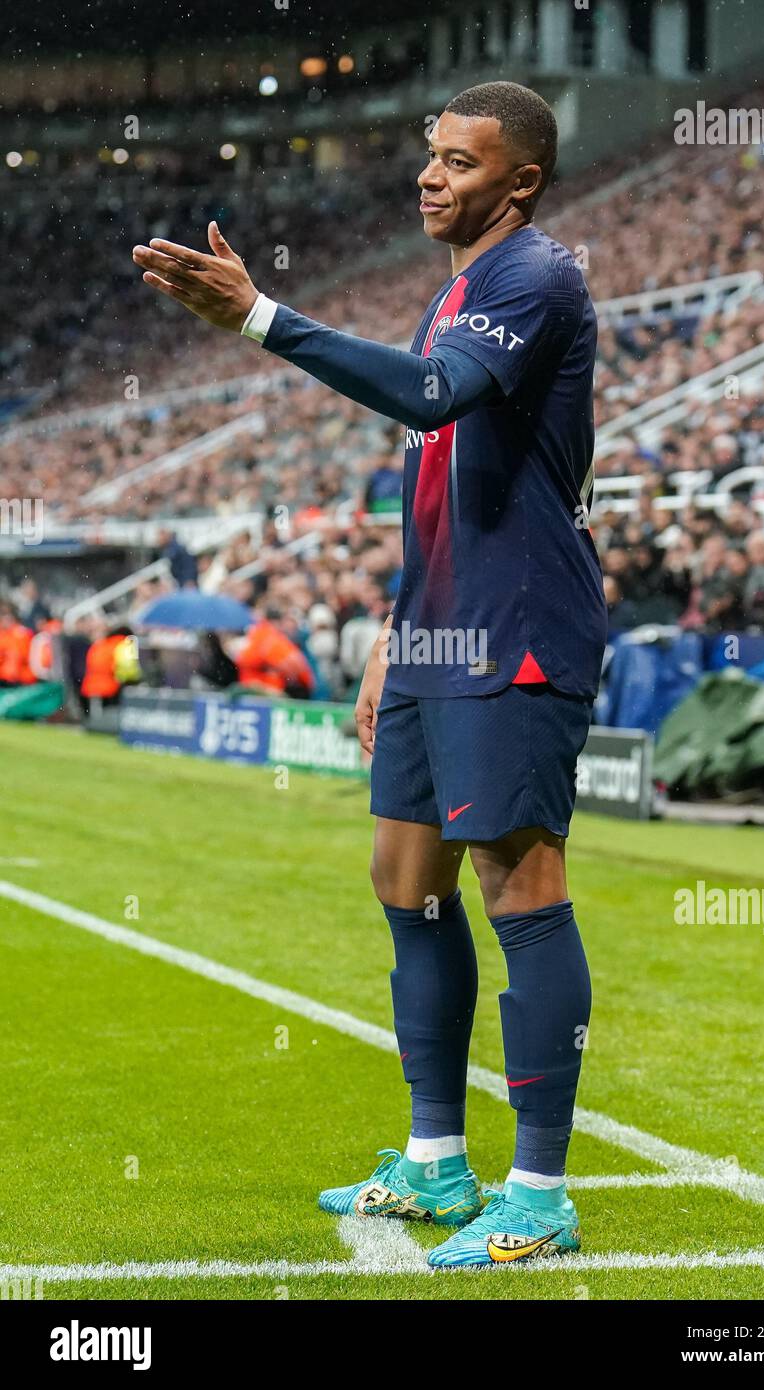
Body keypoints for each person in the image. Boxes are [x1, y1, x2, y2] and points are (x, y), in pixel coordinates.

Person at [133, 81, 605, 1269]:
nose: (429, 176)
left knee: (518, 884)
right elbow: (433, 487)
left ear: (521, 182)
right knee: (410, 886)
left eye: (458, 161)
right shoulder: (455, 287)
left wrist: (260, 318)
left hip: (517, 631)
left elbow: (432, 396)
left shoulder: (533, 277)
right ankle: (437, 1159)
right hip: (434, 632)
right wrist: (394, 637)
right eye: (428, 155)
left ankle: (539, 1190)